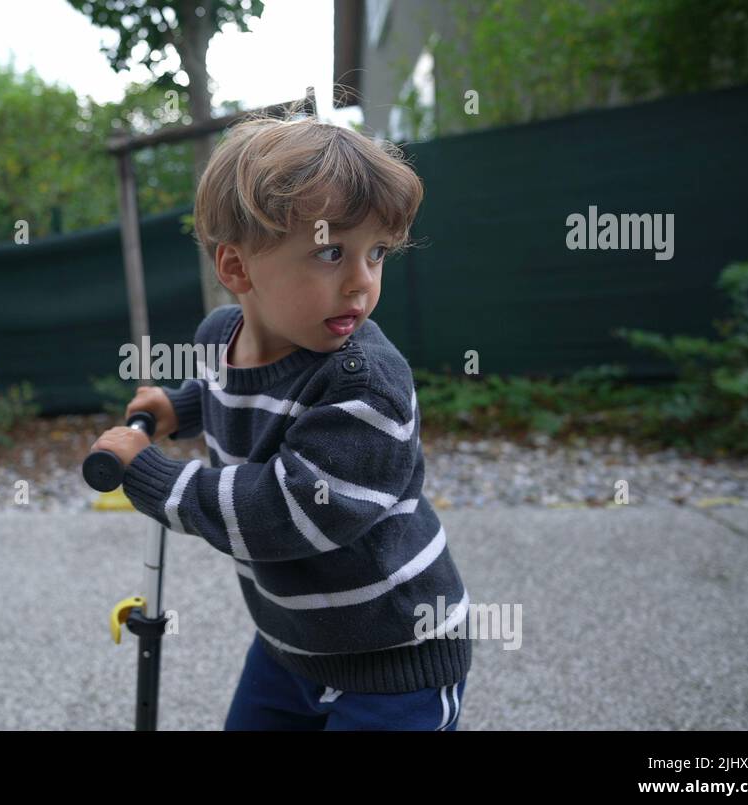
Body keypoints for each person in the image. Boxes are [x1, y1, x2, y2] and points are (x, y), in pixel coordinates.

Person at [89, 110, 472, 730]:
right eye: (331, 252)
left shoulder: (364, 382)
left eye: (375, 253)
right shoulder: (221, 335)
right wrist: (178, 410)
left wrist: (159, 481)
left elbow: (288, 512)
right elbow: (228, 391)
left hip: (396, 655)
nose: (361, 283)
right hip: (291, 645)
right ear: (238, 269)